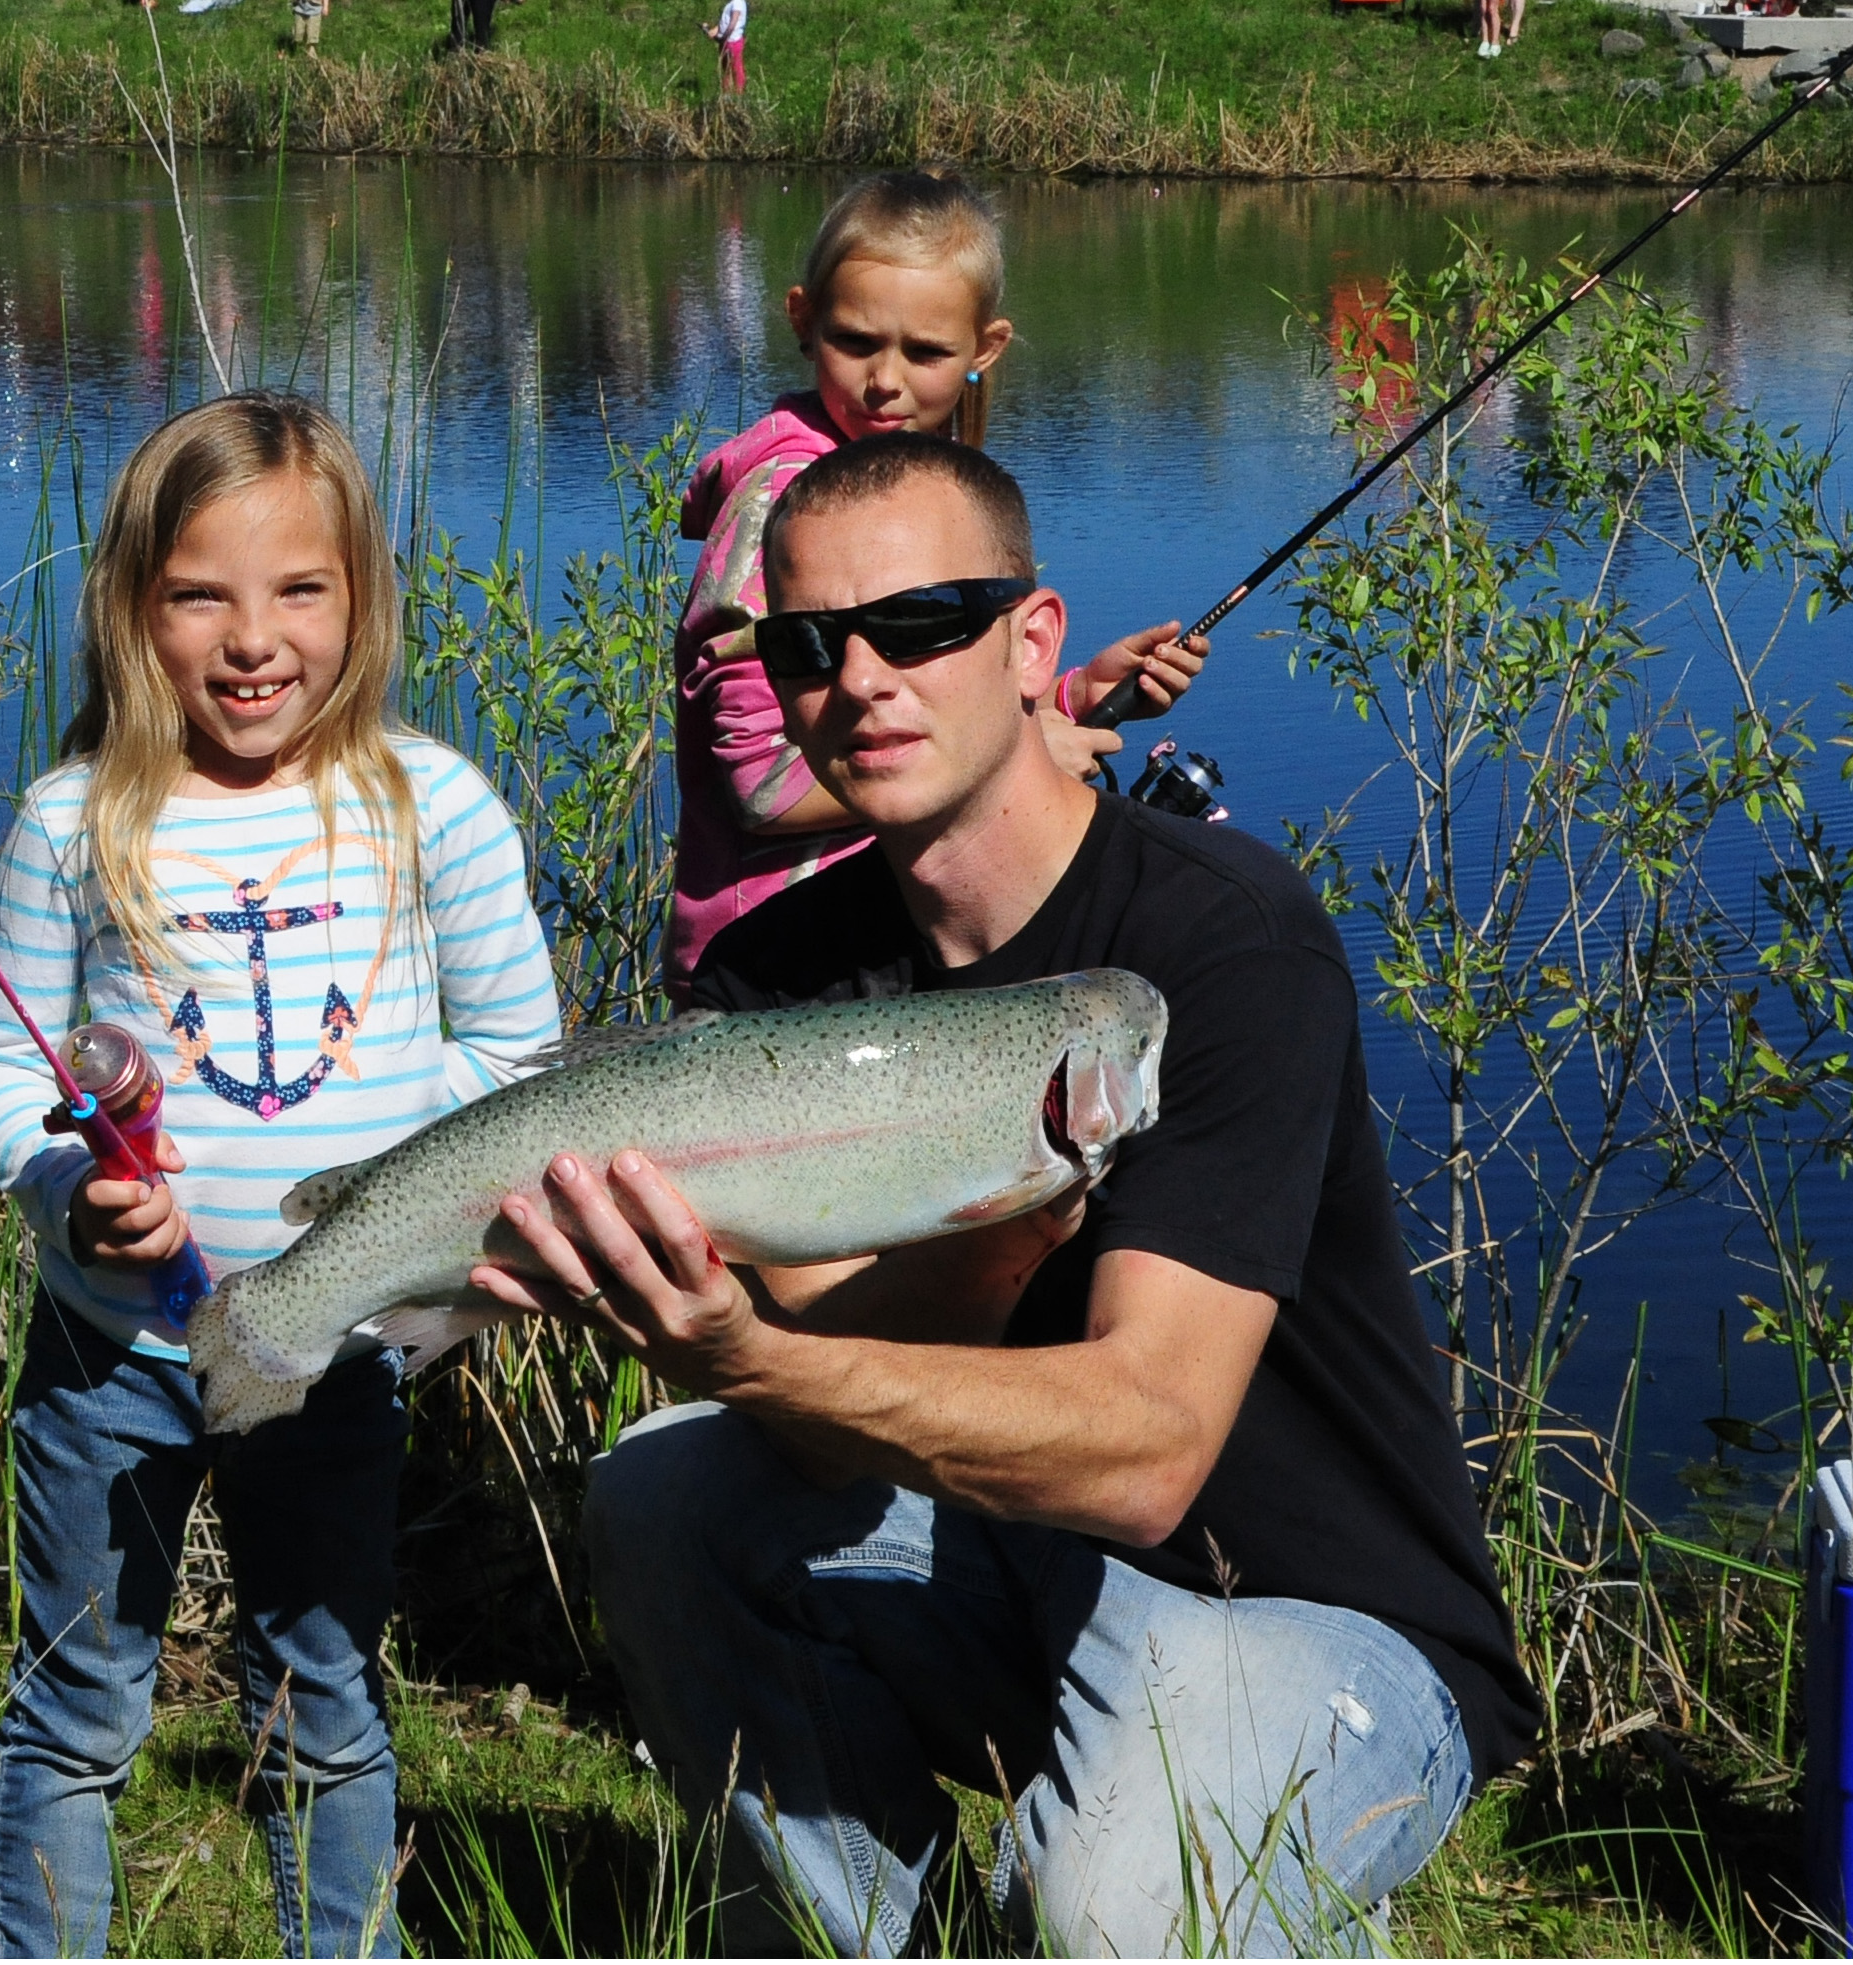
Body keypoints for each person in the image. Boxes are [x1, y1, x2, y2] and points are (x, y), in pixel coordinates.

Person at [470, 434, 1539, 1956]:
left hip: (1313, 1618)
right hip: (1008, 1556)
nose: (859, 677)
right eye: (805, 643)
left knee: (1111, 1909)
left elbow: (1152, 1452)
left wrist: (764, 1355)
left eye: (917, 623)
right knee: (669, 1486)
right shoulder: (772, 979)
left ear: (1033, 644)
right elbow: (819, 1379)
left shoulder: (1221, 946)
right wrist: (730, 1328)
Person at [0, 392, 562, 1959]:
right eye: (197, 595)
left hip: (334, 1355)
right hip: (109, 1354)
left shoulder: (433, 810)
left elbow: (515, 1058)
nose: (250, 639)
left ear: (359, 598)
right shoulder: (74, 821)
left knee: (326, 1703)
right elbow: (4, 1068)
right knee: (75, 1712)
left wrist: (395, 1191)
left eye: (299, 589)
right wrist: (63, 1182)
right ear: (128, 608)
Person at [662, 170, 1207, 1002]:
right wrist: (1017, 762)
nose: (887, 380)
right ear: (803, 322)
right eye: (856, 341)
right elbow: (760, 785)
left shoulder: (926, 485)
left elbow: (920, 705)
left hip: (891, 938)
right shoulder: (782, 509)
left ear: (985, 349)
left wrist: (1062, 700)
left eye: (926, 353)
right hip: (776, 965)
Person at [706, 0, 745, 95]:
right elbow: (725, 22)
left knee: (736, 68)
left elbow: (732, 23)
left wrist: (723, 37)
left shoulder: (738, 2)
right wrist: (714, 31)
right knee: (726, 69)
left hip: (733, 41)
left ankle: (739, 93)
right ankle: (726, 93)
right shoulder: (730, 4)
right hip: (726, 41)